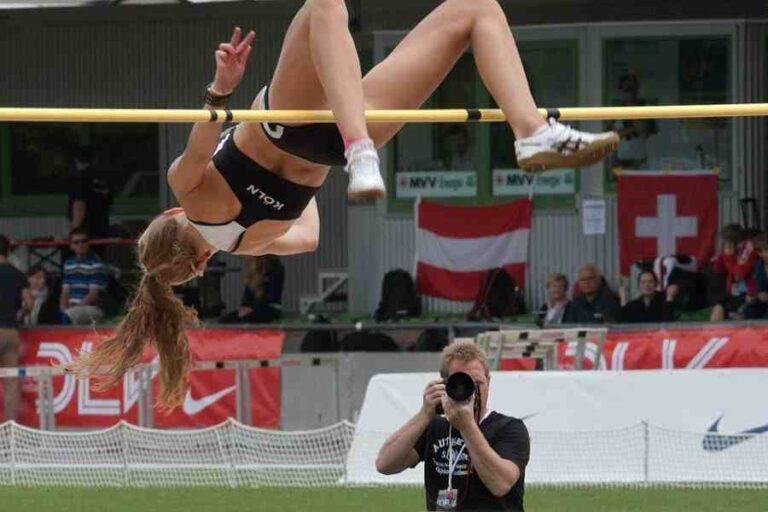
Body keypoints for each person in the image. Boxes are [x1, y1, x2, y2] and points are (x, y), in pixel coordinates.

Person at [67, 0, 619, 408]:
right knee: (334, 5)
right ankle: (525, 128)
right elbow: (200, 134)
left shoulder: (250, 240)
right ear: (168, 217)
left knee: (467, 10)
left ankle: (374, 147)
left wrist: (304, 183)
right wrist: (221, 87)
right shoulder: (190, 193)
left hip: (330, 145)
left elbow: (307, 232)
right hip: (299, 122)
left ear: (198, 265)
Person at [376, 340, 530, 511]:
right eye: (462, 383)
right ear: (444, 384)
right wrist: (424, 414)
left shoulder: (509, 428)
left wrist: (467, 427)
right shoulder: (435, 426)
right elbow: (385, 464)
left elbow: (501, 484)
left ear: (489, 382)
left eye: (477, 383)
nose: (471, 391)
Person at [0, 234, 30, 422]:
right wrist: (20, 314)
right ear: (8, 251)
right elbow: (29, 302)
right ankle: (10, 427)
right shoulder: (18, 274)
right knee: (11, 381)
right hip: (12, 332)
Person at [709, 224, 757, 321]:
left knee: (735, 315)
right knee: (718, 308)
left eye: (727, 240)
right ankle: (716, 335)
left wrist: (730, 257)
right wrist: (722, 255)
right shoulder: (731, 249)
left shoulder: (748, 248)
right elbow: (718, 269)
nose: (725, 242)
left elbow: (740, 274)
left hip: (748, 292)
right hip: (733, 290)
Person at [60, 228, 107, 325]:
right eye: (76, 242)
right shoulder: (68, 264)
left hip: (92, 308)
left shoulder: (96, 263)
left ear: (88, 243)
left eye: (84, 241)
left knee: (67, 316)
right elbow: (65, 291)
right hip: (72, 309)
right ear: (71, 245)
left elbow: (93, 295)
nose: (80, 245)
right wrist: (63, 307)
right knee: (59, 315)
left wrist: (73, 308)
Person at [219, 255, 284, 324]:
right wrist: (245, 306)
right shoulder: (253, 269)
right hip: (253, 308)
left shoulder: (275, 267)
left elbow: (273, 295)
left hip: (269, 307)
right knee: (225, 319)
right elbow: (248, 294)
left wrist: (252, 308)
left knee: (249, 317)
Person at [67, 146, 113, 239]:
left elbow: (79, 204)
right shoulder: (104, 180)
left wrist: (75, 231)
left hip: (84, 233)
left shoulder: (80, 179)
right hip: (102, 229)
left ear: (76, 161)